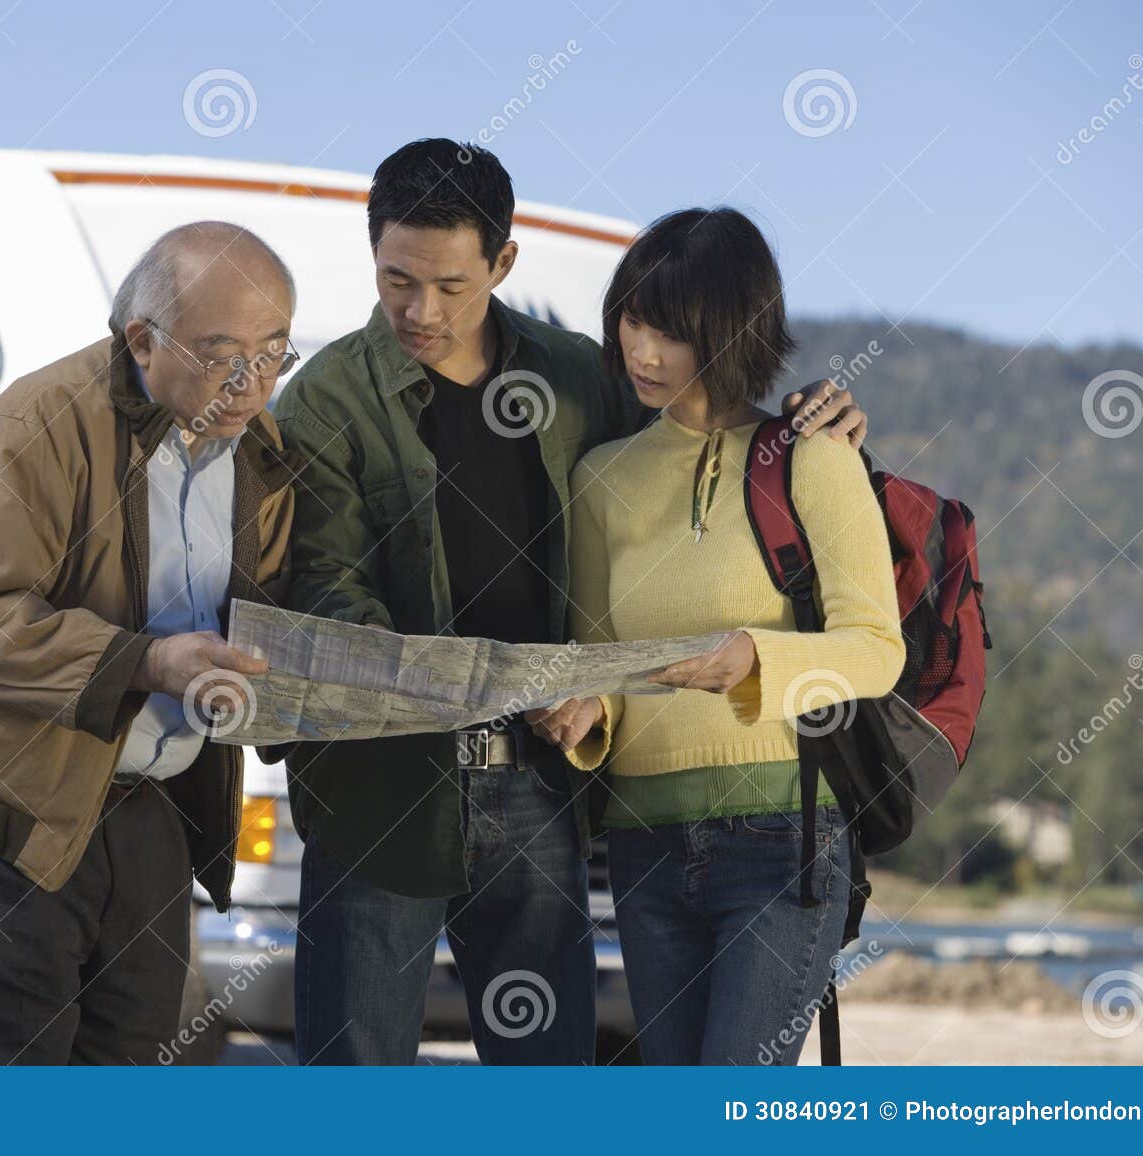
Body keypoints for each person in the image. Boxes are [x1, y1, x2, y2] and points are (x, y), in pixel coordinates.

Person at [274, 139, 869, 1064]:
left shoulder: (578, 377)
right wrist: (467, 678)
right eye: (396, 280)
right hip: (380, 788)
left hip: (541, 790)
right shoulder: (324, 399)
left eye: (450, 286)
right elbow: (323, 588)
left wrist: (818, 424)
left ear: (504, 262)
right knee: (353, 1080)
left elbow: (702, 445)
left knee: (552, 1081)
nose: (419, 311)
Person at [0, 221, 298, 1064]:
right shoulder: (36, 424)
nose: (253, 382)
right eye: (222, 353)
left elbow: (263, 612)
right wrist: (145, 661)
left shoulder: (264, 456)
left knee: (130, 1071)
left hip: (147, 808)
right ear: (144, 338)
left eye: (276, 351)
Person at [562, 207, 905, 1065]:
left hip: (781, 838)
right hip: (641, 842)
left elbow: (875, 647)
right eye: (632, 320)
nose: (641, 350)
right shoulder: (601, 479)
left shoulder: (811, 455)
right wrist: (585, 712)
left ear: (725, 331)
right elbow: (598, 658)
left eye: (669, 331)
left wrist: (759, 657)